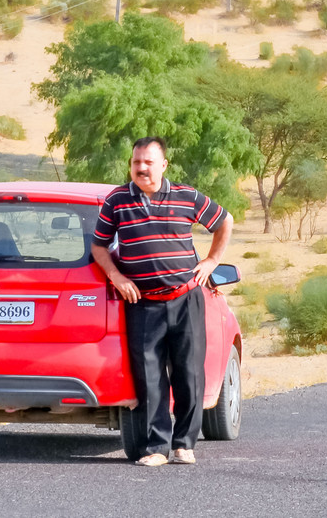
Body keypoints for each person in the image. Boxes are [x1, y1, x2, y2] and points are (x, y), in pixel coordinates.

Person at [90, 137, 232, 467]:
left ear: (163, 165)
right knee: (150, 378)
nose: (141, 168)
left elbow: (225, 221)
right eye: (136, 162)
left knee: (188, 374)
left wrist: (211, 262)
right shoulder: (118, 200)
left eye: (148, 162)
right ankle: (157, 448)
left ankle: (184, 445)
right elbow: (98, 247)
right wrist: (117, 277)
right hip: (142, 303)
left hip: (185, 300)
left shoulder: (187, 196)